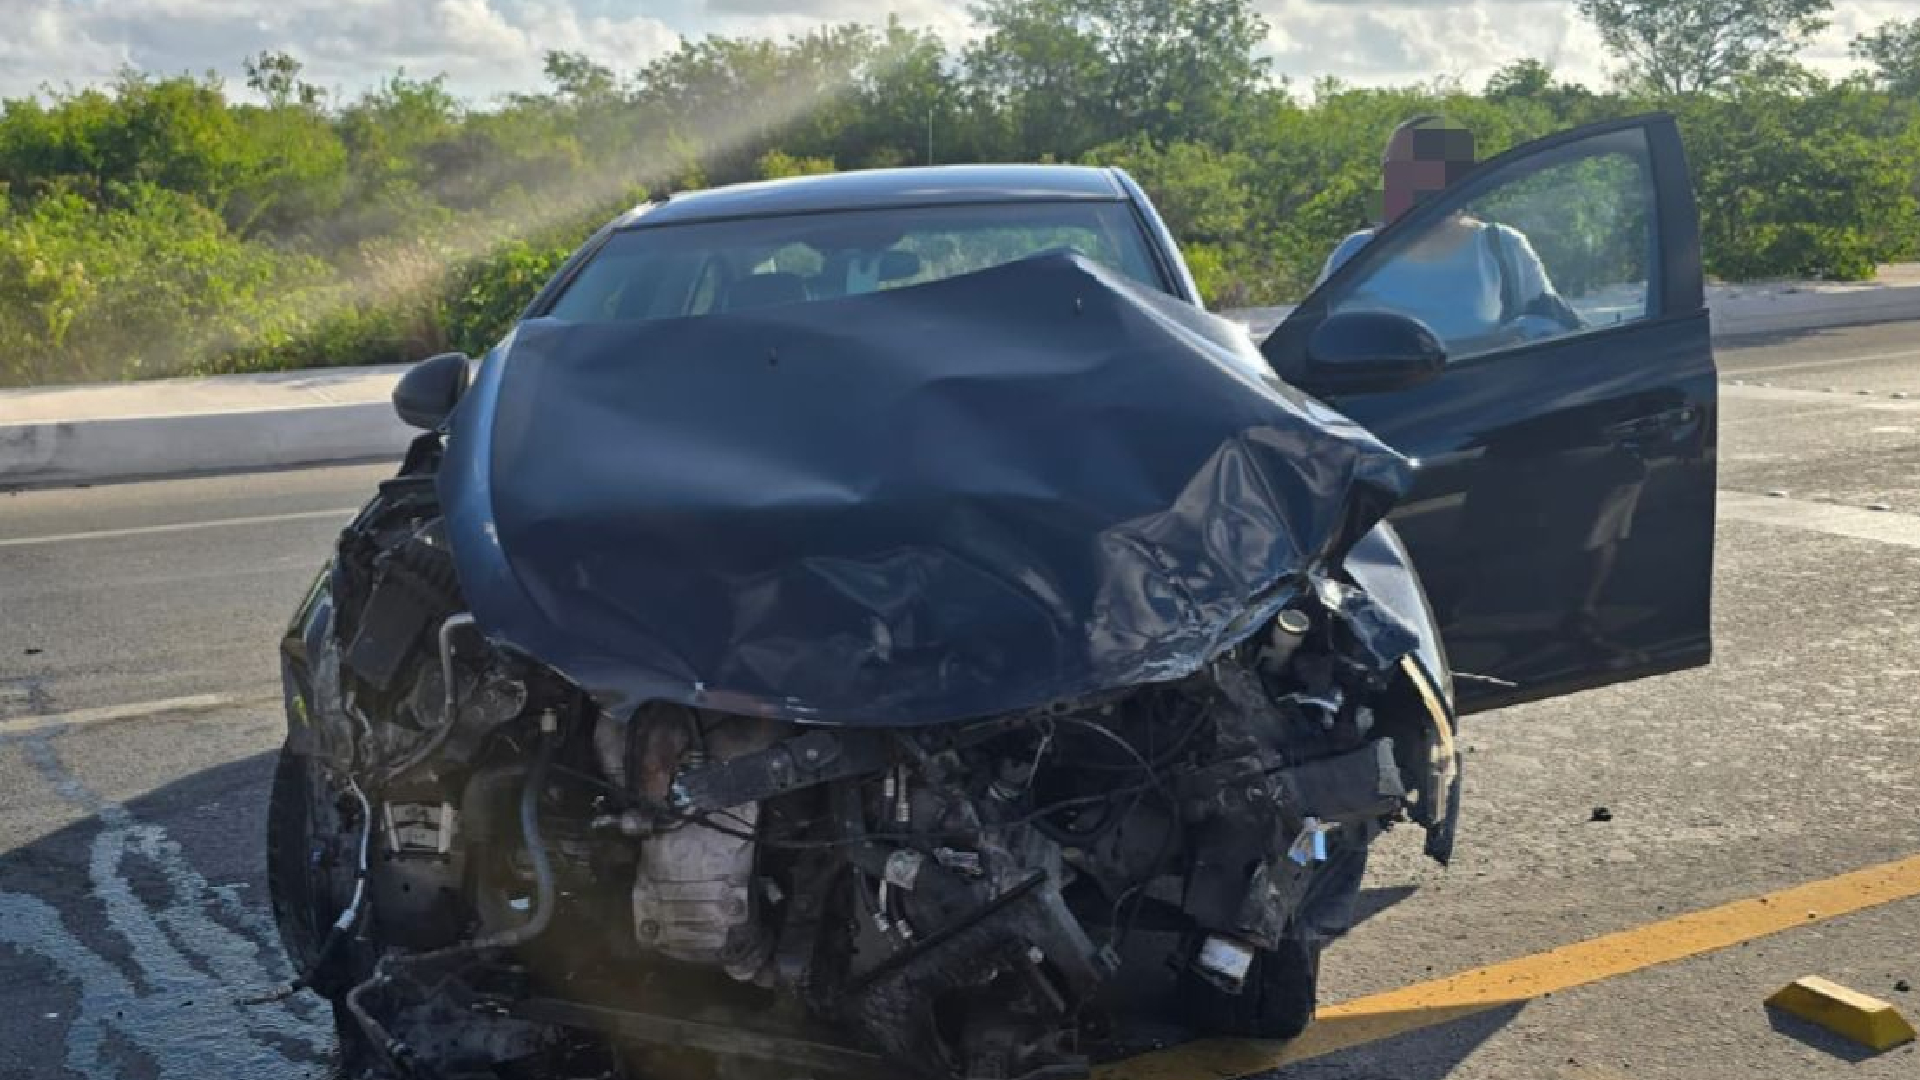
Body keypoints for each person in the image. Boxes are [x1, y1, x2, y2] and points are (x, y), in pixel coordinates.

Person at [1319, 116, 1582, 349]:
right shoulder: (1355, 252)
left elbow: (1556, 331)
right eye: (1390, 164)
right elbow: (1306, 339)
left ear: (1455, 174)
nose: (1394, 175)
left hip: (1472, 399)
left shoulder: (1501, 247)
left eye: (1413, 165)